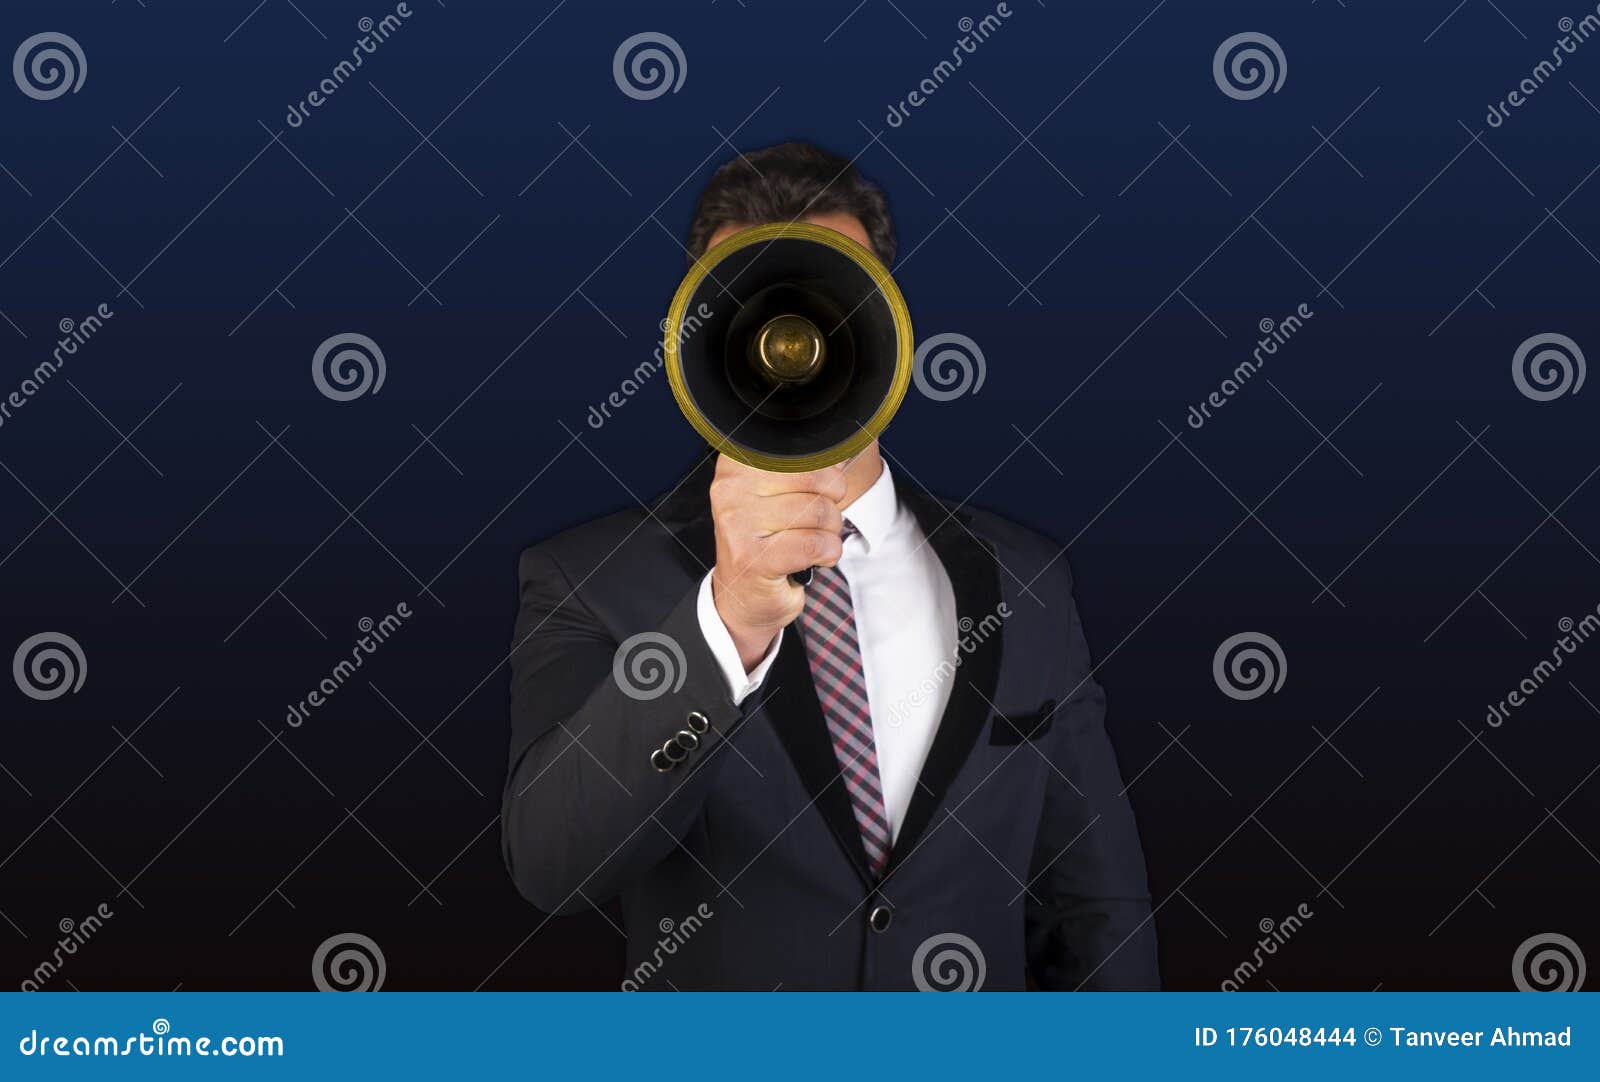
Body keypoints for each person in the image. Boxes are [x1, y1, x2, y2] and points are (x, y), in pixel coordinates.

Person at [502, 142, 1157, 990]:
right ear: (704, 343)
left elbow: (1096, 906)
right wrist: (725, 624)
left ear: (890, 328)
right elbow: (552, 866)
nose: (796, 344)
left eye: (831, 299)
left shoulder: (1028, 580)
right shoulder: (589, 579)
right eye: (758, 310)